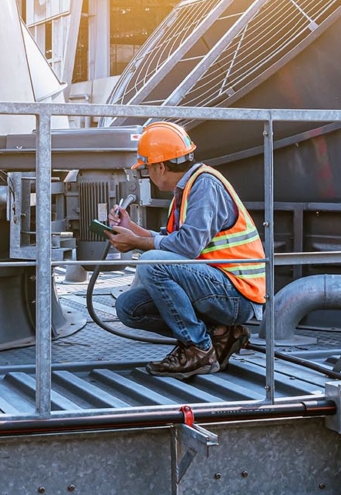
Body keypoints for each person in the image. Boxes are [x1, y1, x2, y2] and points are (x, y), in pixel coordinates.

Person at [107, 121, 266, 378]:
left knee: (153, 262)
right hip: (215, 286)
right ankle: (221, 334)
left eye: (147, 168)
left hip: (237, 294)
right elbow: (172, 242)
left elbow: (187, 246)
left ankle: (198, 349)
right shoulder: (187, 188)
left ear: (159, 166)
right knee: (129, 307)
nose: (147, 173)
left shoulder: (204, 185)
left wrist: (137, 244)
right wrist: (134, 230)